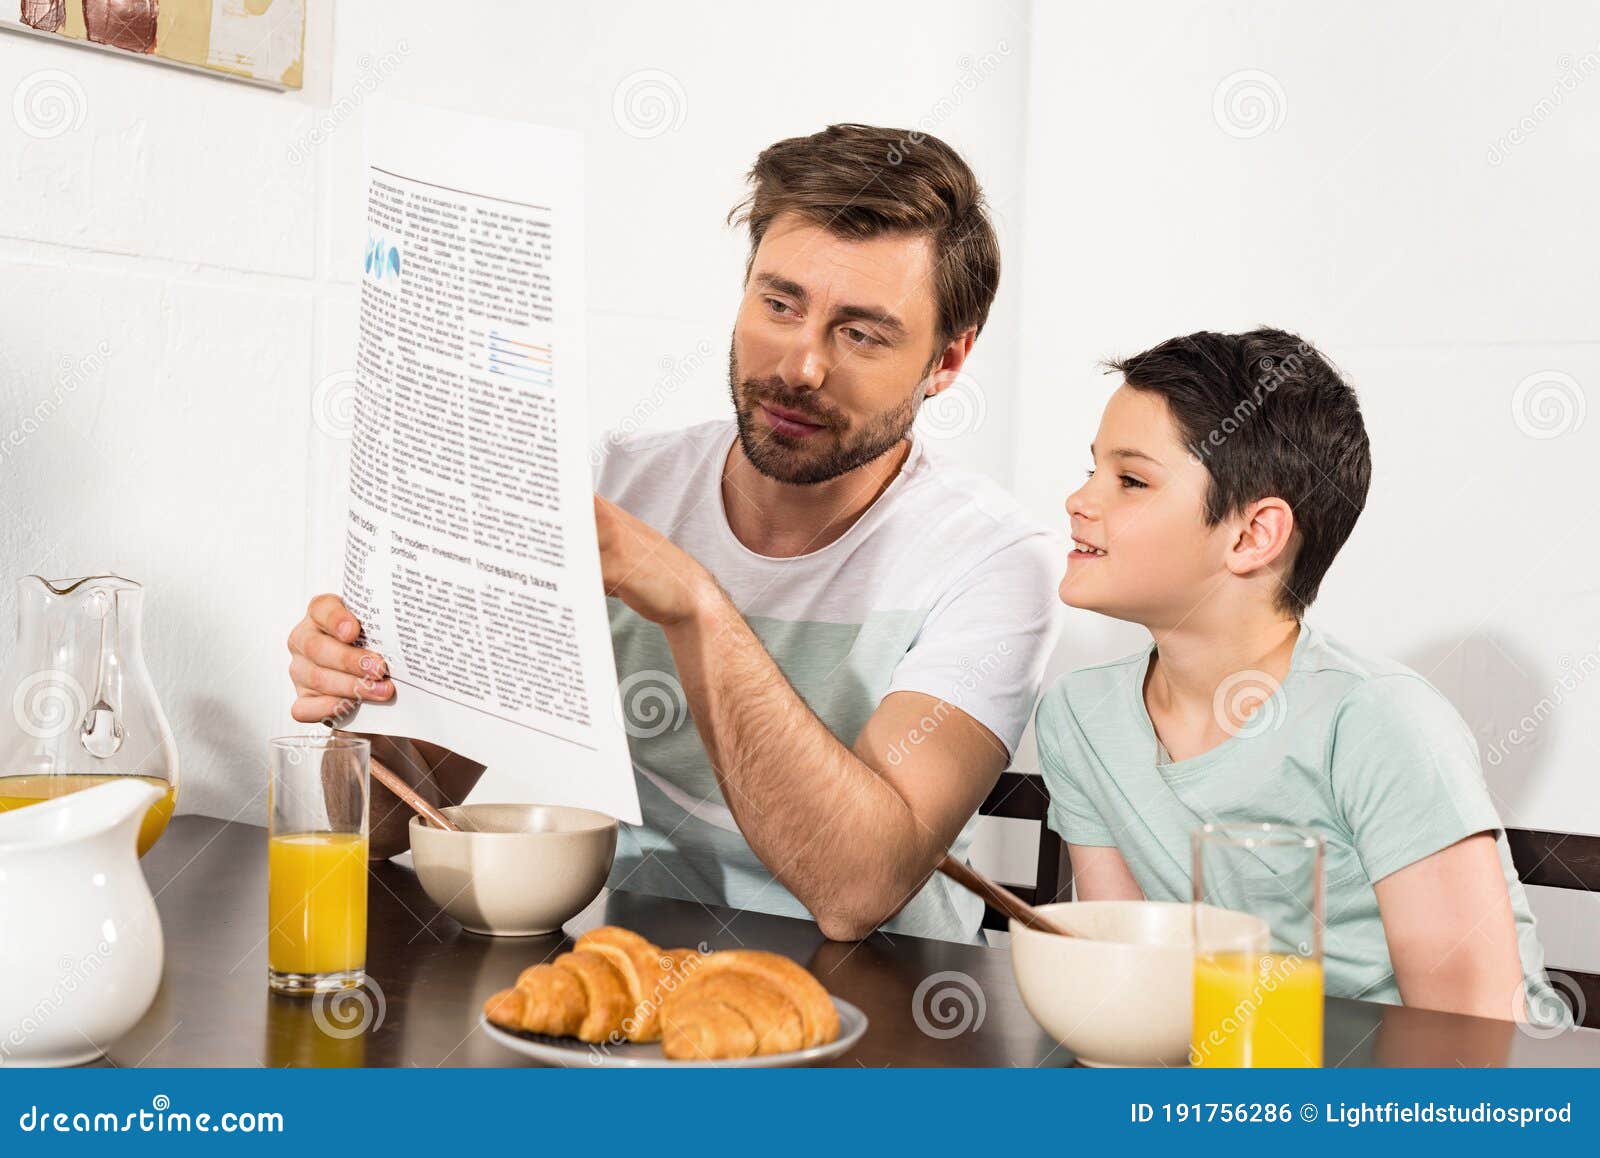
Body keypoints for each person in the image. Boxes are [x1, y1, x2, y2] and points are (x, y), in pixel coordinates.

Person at [286, 124, 1060, 943]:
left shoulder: (997, 564)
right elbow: (366, 827)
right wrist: (361, 697)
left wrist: (693, 602)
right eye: (779, 303)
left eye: (861, 333)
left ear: (948, 361)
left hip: (882, 1020)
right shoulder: (616, 488)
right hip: (628, 987)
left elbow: (857, 889)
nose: (801, 365)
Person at [1034, 327, 1565, 1023]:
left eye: (1130, 479)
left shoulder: (1378, 720)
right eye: (1092, 469)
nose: (1080, 500)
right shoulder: (1079, 717)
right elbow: (1138, 978)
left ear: (1254, 535)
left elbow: (1470, 1037)